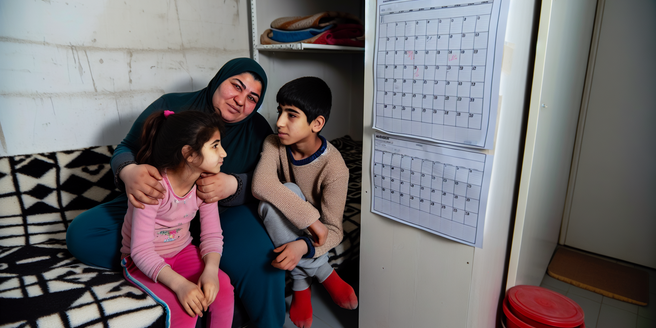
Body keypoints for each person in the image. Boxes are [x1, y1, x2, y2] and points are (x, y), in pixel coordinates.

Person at [66, 58, 285, 327]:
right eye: (236, 86)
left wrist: (234, 186)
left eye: (252, 98)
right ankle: (168, 263)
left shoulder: (259, 130)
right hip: (159, 205)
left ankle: (213, 274)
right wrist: (129, 172)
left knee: (264, 264)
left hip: (222, 212)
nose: (241, 101)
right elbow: (126, 148)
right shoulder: (172, 106)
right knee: (82, 234)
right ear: (219, 79)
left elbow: (273, 181)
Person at [252, 77, 358, 328]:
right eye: (280, 111)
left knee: (281, 194)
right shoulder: (273, 143)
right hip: (298, 220)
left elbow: (332, 231)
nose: (279, 122)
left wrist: (303, 245)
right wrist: (311, 223)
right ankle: (323, 274)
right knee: (271, 200)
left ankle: (300, 285)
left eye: (292, 115)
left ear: (317, 123)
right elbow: (260, 185)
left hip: (313, 232)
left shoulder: (335, 167)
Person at [121, 110, 232, 327]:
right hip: (142, 262)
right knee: (185, 307)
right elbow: (141, 251)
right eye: (215, 146)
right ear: (189, 154)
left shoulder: (205, 185)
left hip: (182, 251)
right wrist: (181, 285)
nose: (224, 153)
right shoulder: (153, 187)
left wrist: (210, 271)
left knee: (224, 286)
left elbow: (211, 235)